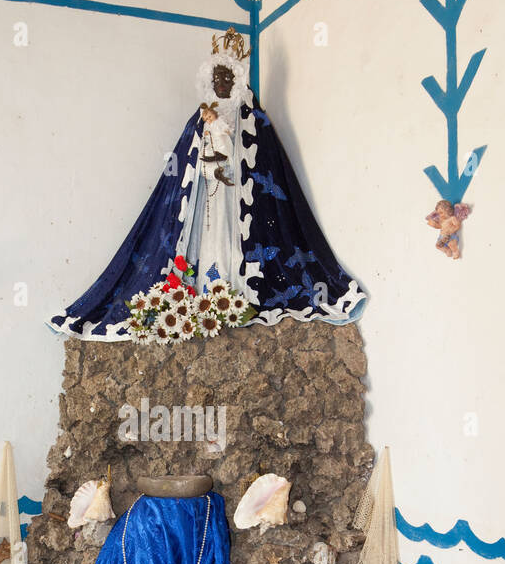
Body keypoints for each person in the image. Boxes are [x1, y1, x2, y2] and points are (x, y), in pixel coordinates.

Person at [50, 28, 366, 338]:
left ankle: (234, 293)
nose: (223, 84)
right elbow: (179, 176)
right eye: (218, 79)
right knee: (208, 238)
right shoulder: (199, 119)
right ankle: (205, 291)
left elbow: (271, 171)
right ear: (210, 81)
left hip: (241, 201)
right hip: (206, 198)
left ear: (238, 80)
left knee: (232, 241)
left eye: (228, 78)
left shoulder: (256, 121)